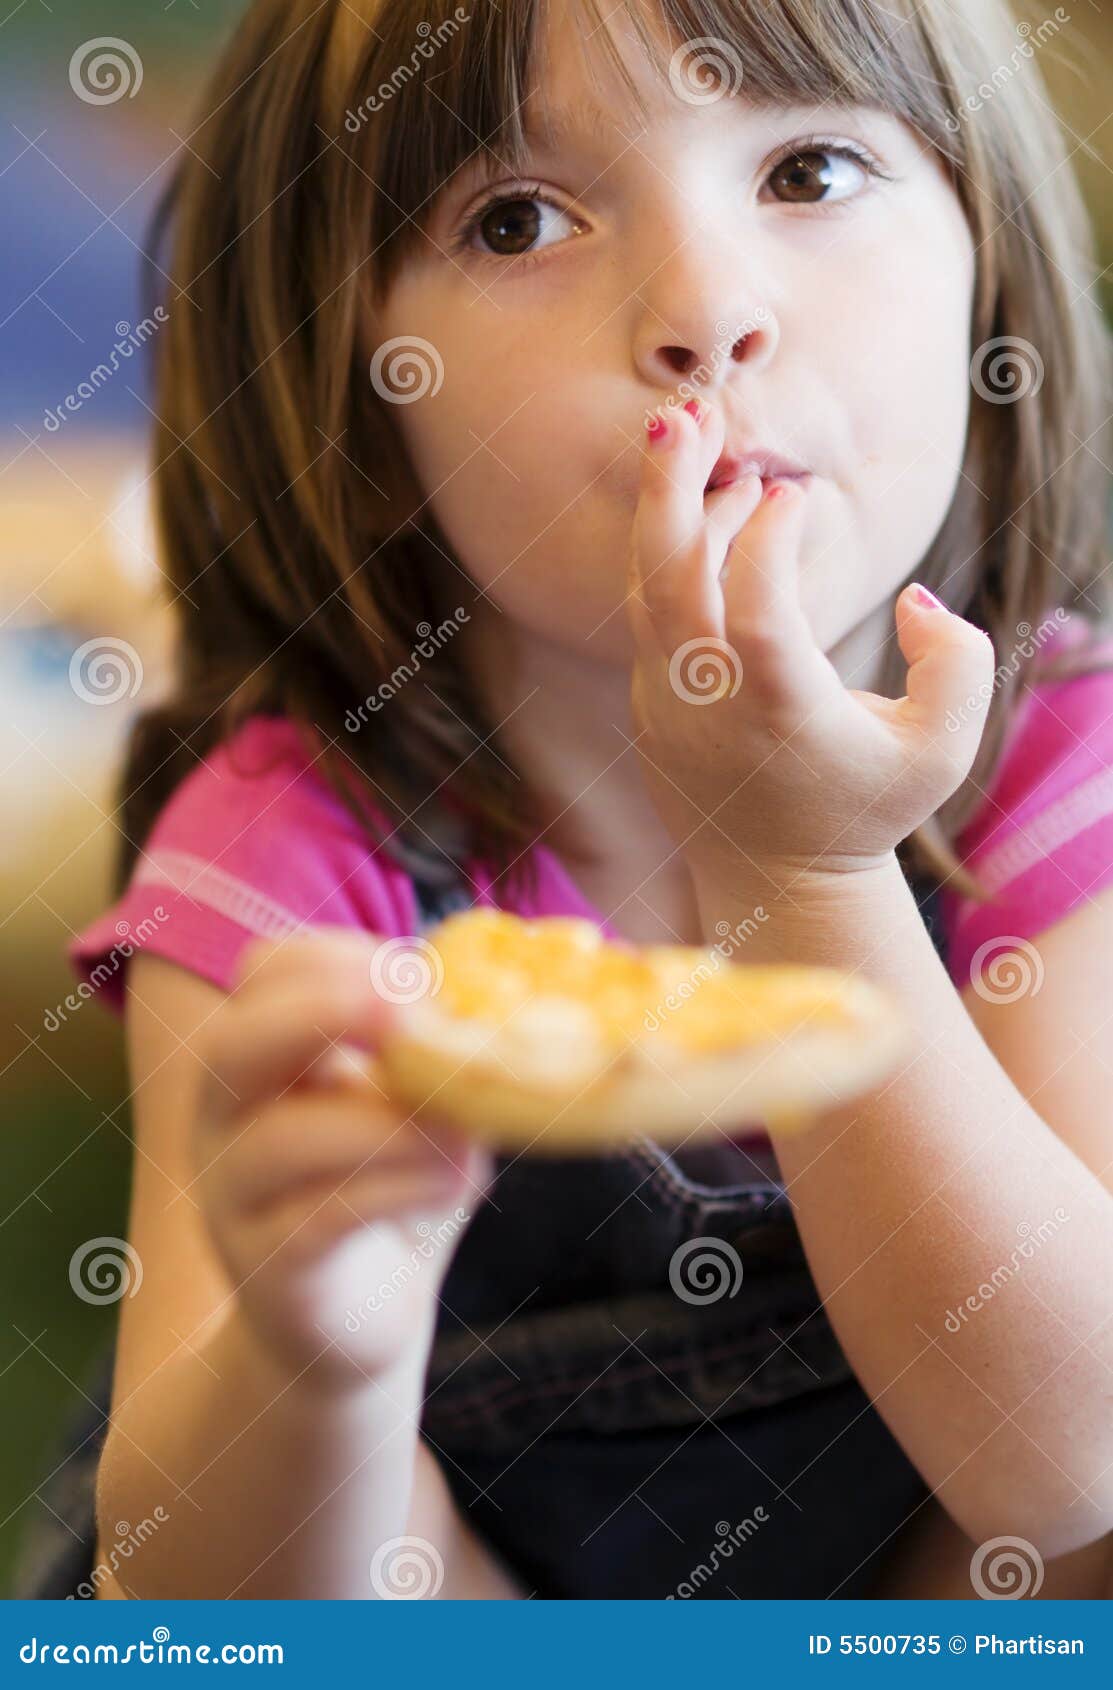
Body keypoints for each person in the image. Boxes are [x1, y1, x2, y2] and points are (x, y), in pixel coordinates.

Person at [36, 0, 1113, 1599]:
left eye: (809, 169)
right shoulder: (301, 841)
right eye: (518, 218)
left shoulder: (1049, 752)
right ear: (364, 401)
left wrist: (798, 870)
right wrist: (309, 1350)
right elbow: (202, 1600)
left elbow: (1065, 1454)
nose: (702, 311)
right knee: (343, 1483)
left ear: (988, 279)